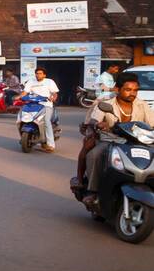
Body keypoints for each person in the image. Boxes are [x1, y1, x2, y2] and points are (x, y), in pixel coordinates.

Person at [77, 73, 154, 208]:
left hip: (137, 142)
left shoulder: (142, 105)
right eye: (128, 90)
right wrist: (98, 125)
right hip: (110, 140)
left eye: (135, 90)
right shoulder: (106, 104)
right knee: (95, 155)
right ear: (118, 89)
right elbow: (94, 120)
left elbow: (152, 124)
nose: (132, 93)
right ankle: (92, 190)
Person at [21, 66, 60, 152]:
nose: (38, 75)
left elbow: (54, 93)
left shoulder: (49, 82)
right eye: (37, 73)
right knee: (22, 119)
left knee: (46, 121)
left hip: (46, 105)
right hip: (32, 104)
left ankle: (51, 145)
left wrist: (53, 98)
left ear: (44, 75)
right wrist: (18, 97)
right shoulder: (31, 81)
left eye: (40, 74)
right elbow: (25, 92)